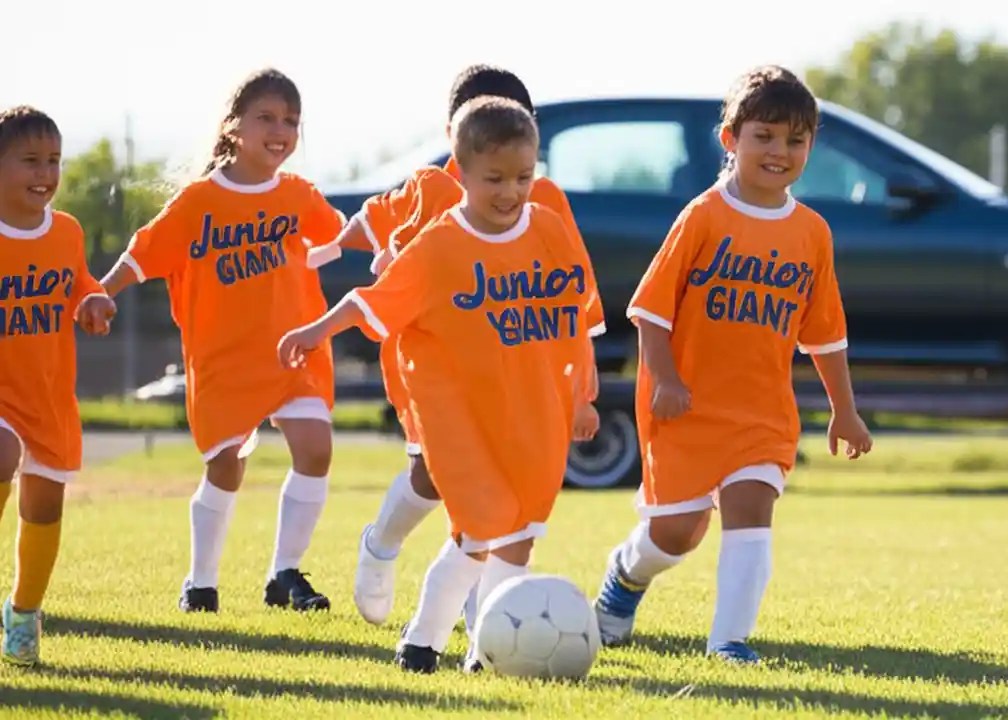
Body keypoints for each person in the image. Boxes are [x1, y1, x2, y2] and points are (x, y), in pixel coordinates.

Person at [277, 96, 602, 673]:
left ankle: (485, 650)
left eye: (524, 177)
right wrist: (315, 329)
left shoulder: (548, 229)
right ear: (463, 171)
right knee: (479, 530)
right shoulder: (440, 246)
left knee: (519, 537)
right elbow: (369, 303)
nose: (510, 192)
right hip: (464, 423)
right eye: (494, 179)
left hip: (536, 419)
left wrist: (583, 396)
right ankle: (423, 642)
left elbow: (575, 317)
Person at [591, 65, 874, 664]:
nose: (780, 151)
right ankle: (625, 578)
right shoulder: (703, 216)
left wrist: (845, 411)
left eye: (796, 140)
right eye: (764, 136)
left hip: (761, 413)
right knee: (677, 534)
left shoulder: (812, 233)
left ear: (811, 146)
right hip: (685, 406)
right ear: (731, 140)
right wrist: (665, 378)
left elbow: (825, 334)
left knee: (751, 510)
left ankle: (728, 642)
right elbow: (649, 312)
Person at [99, 69, 344, 614]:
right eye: (267, 118)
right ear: (233, 127)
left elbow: (338, 239)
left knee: (316, 447)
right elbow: (141, 253)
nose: (280, 131)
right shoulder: (198, 202)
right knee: (225, 465)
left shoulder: (300, 195)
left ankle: (285, 573)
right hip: (223, 362)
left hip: (293, 352)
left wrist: (388, 246)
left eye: (291, 122)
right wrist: (101, 293)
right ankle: (201, 581)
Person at [0, 106, 116, 665]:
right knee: (2, 453)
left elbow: (78, 284)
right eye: (29, 161)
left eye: (53, 160)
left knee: (43, 509)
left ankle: (22, 615)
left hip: (46, 396)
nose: (44, 172)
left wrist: (92, 299)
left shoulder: (66, 230)